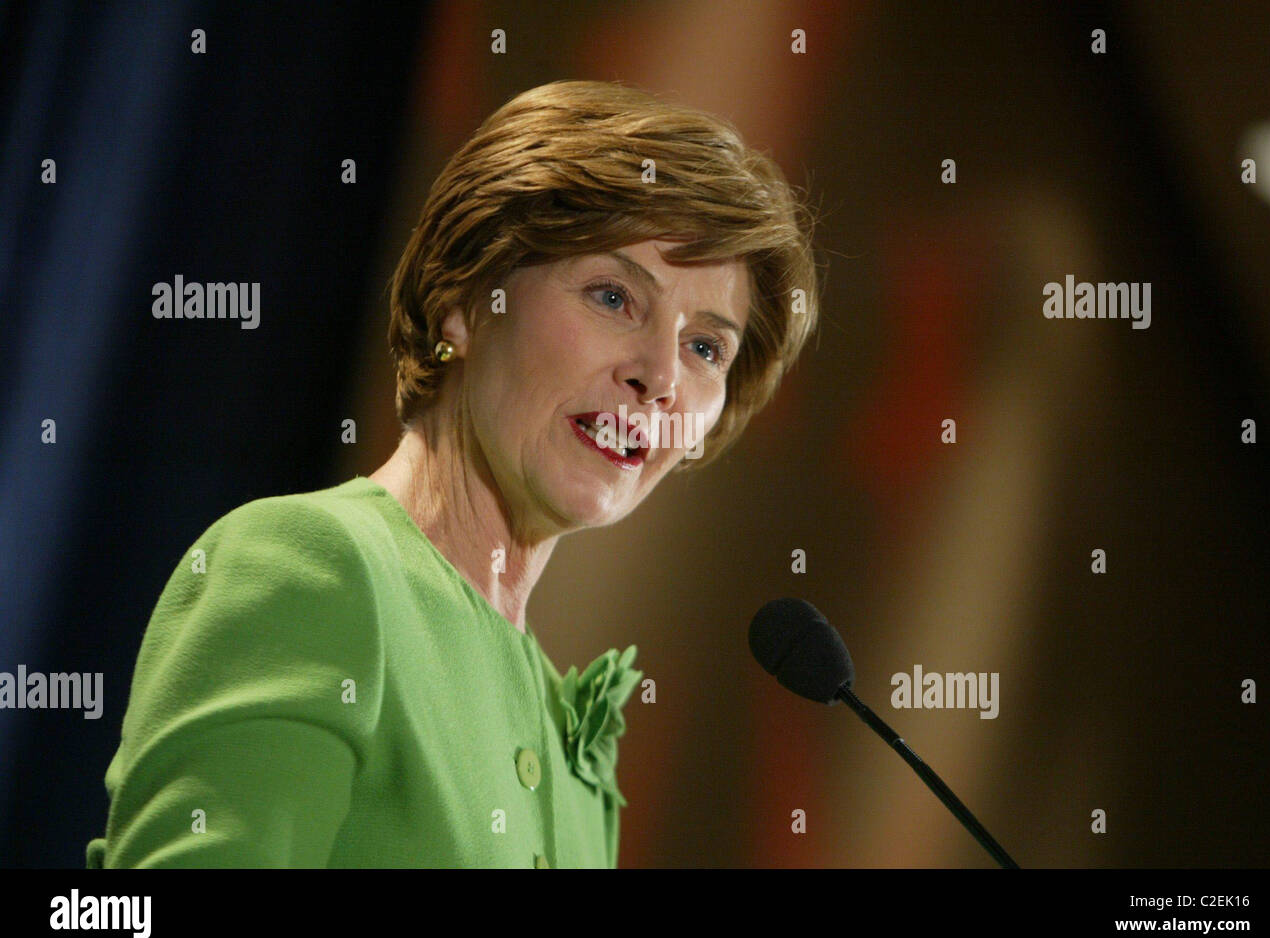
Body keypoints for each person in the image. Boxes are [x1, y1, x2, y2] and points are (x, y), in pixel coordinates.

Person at [86, 79, 820, 868]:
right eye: (613, 297)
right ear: (464, 302)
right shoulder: (310, 569)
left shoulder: (568, 733)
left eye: (706, 347)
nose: (661, 376)